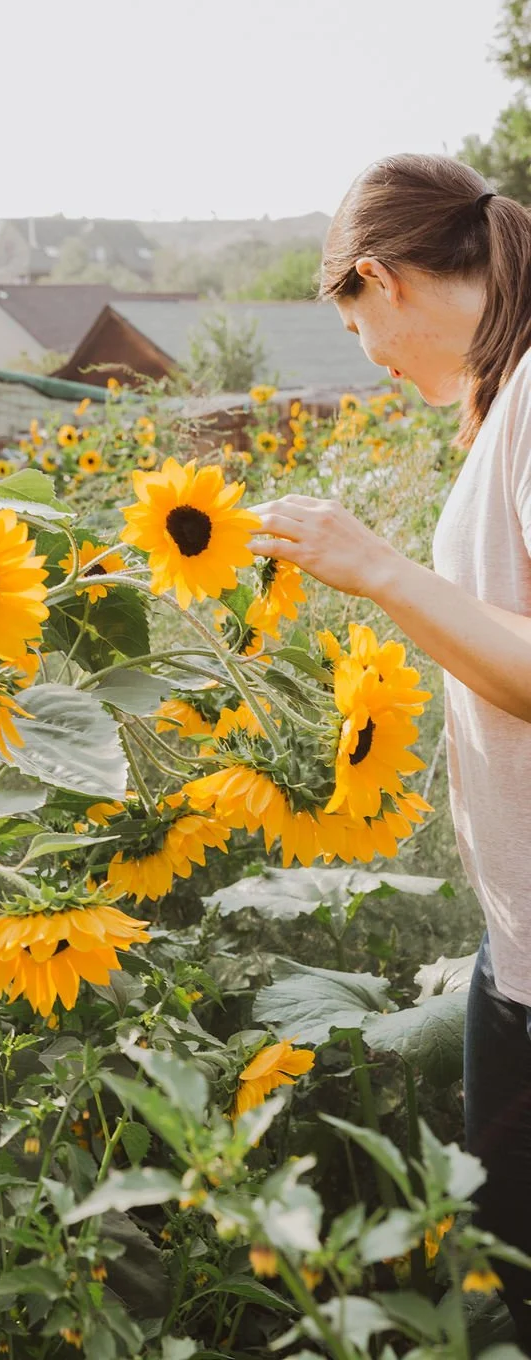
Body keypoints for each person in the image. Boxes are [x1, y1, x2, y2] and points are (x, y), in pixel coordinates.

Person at [248, 153, 531, 1344]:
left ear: (379, 278)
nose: (369, 359)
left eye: (357, 323)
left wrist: (375, 568)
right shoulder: (508, 392)